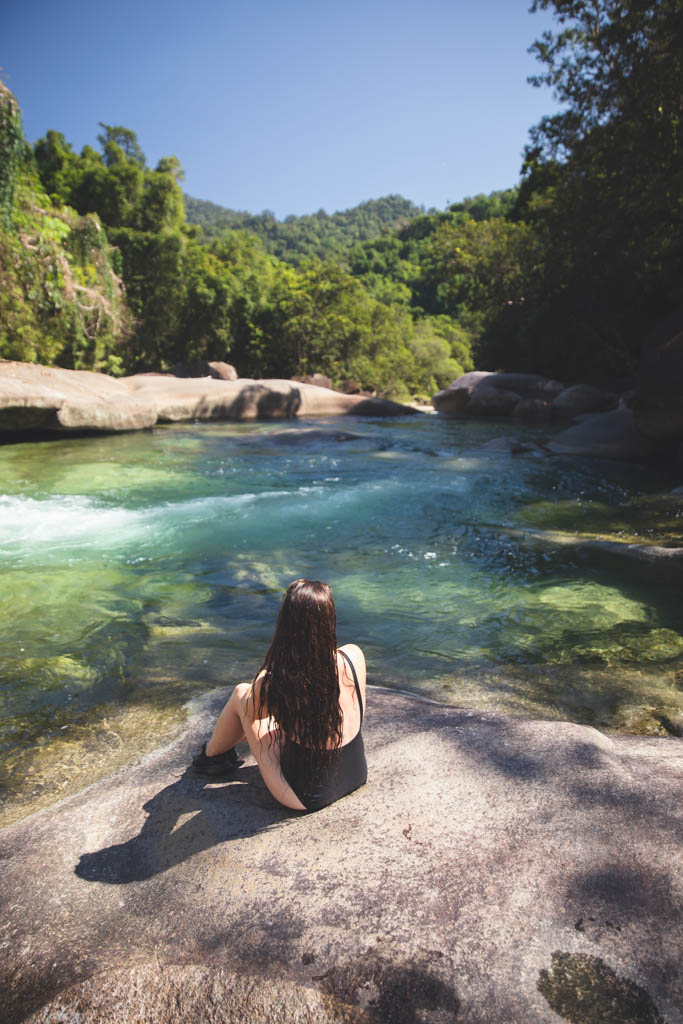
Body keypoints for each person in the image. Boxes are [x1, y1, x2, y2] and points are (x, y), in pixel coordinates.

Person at [191, 578, 367, 812]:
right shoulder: (353, 656)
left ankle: (211, 757)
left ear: (287, 625)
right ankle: (214, 755)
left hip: (306, 796)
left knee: (241, 693)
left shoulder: (275, 683)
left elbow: (251, 718)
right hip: (356, 773)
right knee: (267, 710)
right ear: (330, 619)